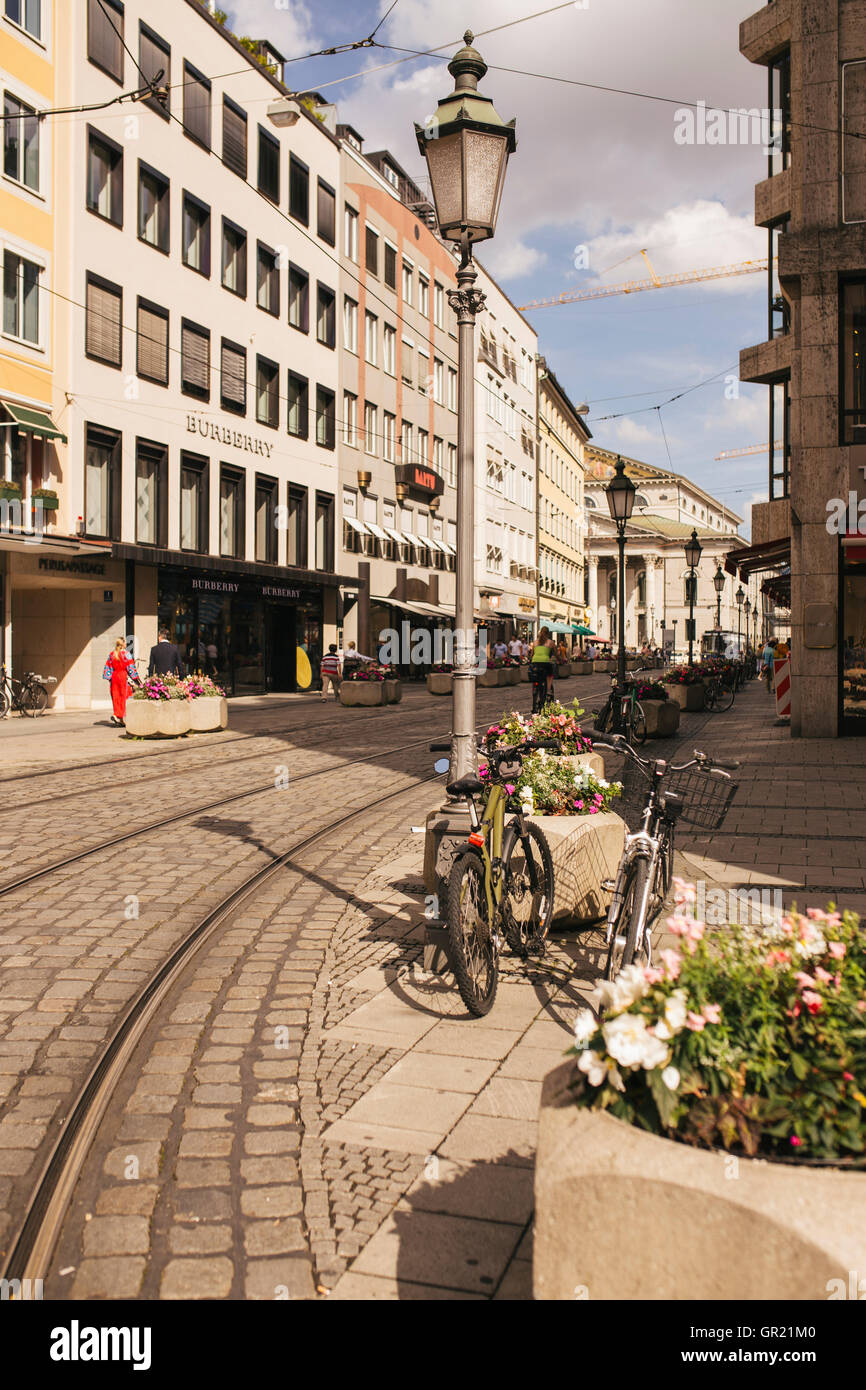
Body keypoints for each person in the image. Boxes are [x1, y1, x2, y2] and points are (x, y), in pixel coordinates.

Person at [106, 637, 136, 727]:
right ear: (123, 644)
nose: (126, 644)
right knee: (123, 696)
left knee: (115, 696)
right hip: (123, 676)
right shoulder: (126, 654)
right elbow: (131, 667)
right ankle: (117, 715)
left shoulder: (112, 654)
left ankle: (120, 718)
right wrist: (135, 677)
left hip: (114, 676)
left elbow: (108, 667)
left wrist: (109, 678)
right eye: (125, 642)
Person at [530, 626, 554, 713]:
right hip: (545, 663)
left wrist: (532, 660)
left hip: (535, 663)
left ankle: (534, 690)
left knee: (535, 677)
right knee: (550, 674)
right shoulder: (550, 642)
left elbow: (532, 654)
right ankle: (548, 690)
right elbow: (556, 654)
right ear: (548, 633)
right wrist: (561, 660)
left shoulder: (535, 642)